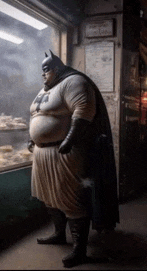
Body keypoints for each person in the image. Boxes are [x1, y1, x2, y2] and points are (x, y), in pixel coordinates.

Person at [28, 50, 119, 268]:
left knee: (71, 199)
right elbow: (35, 116)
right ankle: (59, 234)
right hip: (42, 153)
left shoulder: (74, 82)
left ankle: (79, 249)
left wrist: (69, 139)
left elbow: (83, 111)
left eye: (46, 69)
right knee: (48, 196)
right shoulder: (45, 90)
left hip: (65, 152)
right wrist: (31, 138)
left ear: (57, 69)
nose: (42, 74)